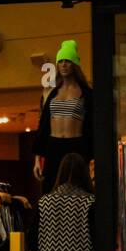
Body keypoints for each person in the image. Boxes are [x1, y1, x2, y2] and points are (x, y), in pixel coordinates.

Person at [33, 39, 92, 195]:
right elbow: (43, 125)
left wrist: (93, 157)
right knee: (50, 189)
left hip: (76, 146)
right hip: (54, 146)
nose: (64, 65)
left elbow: (93, 125)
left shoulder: (85, 93)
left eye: (68, 61)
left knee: (77, 189)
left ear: (74, 64)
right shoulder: (52, 92)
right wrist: (37, 159)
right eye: (60, 61)